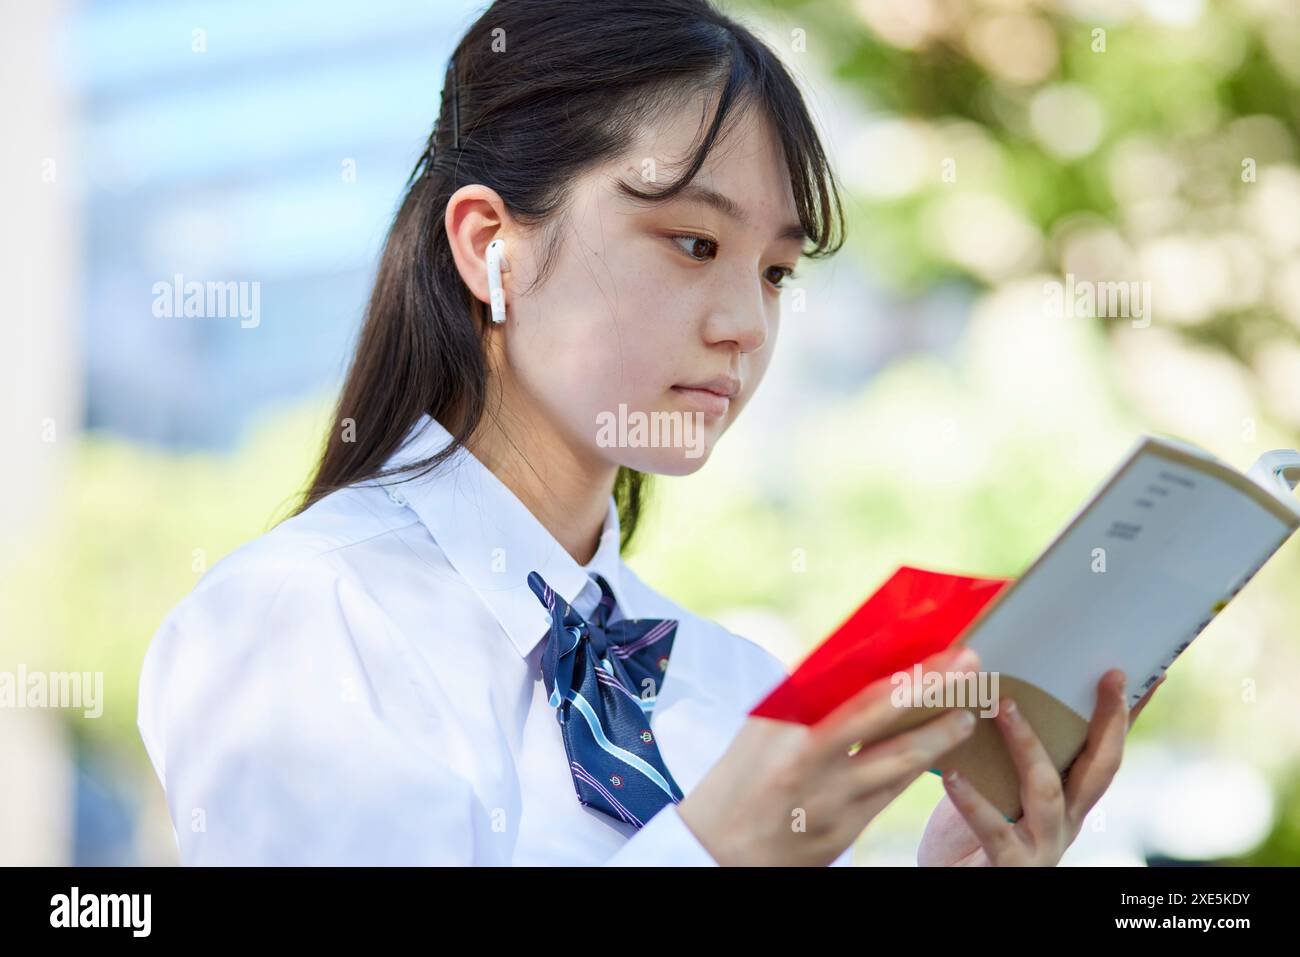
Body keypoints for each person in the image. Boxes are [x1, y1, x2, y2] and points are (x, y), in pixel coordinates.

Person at [137, 0, 1157, 866]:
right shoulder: (298, 619)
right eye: (691, 241)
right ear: (492, 245)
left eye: (774, 271)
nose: (746, 325)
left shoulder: (740, 687)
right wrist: (711, 851)